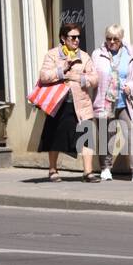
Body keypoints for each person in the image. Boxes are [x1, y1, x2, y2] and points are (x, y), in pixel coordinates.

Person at [35, 21, 100, 181]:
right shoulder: (52, 55)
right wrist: (62, 70)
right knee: (55, 137)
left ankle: (88, 172)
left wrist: (78, 77)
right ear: (63, 38)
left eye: (78, 37)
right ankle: (52, 170)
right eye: (73, 37)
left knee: (86, 137)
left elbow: (95, 79)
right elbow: (44, 76)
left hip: (81, 104)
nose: (76, 40)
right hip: (58, 104)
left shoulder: (84, 57)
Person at [91, 24, 133, 182]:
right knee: (106, 135)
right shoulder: (97, 55)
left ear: (121, 39)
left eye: (115, 39)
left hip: (126, 102)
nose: (111, 42)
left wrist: (131, 87)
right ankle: (105, 169)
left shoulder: (132, 54)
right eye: (108, 39)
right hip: (105, 101)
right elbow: (91, 75)